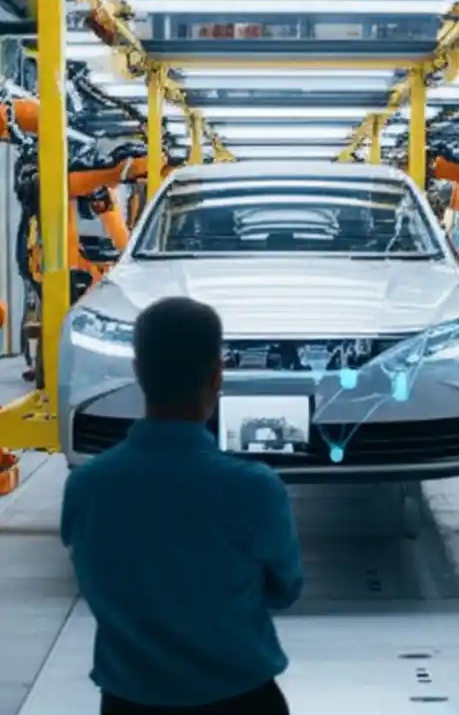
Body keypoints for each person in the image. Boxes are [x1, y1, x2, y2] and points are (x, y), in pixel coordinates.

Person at [61, 296, 303, 715]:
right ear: (217, 375)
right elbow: (285, 589)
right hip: (242, 698)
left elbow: (95, 581)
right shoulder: (255, 489)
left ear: (138, 372)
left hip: (129, 700)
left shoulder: (88, 486)